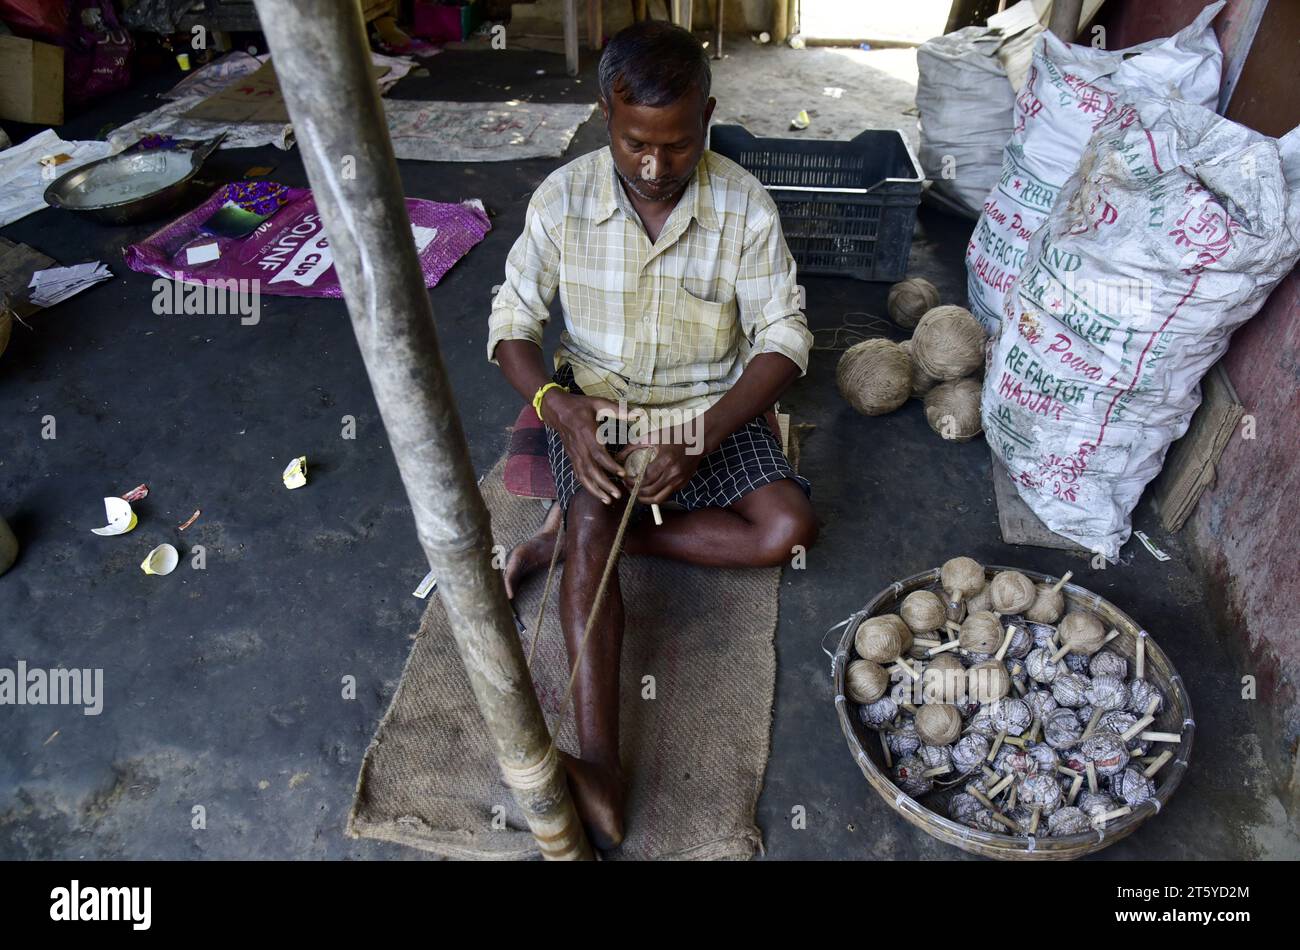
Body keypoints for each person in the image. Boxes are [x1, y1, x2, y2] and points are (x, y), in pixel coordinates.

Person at [487, 20, 816, 849]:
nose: (655, 166)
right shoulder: (562, 200)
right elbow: (510, 326)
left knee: (787, 529)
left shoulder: (742, 202)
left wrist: (701, 435)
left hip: (711, 407)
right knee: (597, 520)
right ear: (608, 116)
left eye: (677, 145)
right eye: (637, 143)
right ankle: (600, 762)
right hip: (600, 410)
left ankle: (570, 542)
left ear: (709, 115)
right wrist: (556, 404)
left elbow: (785, 337)